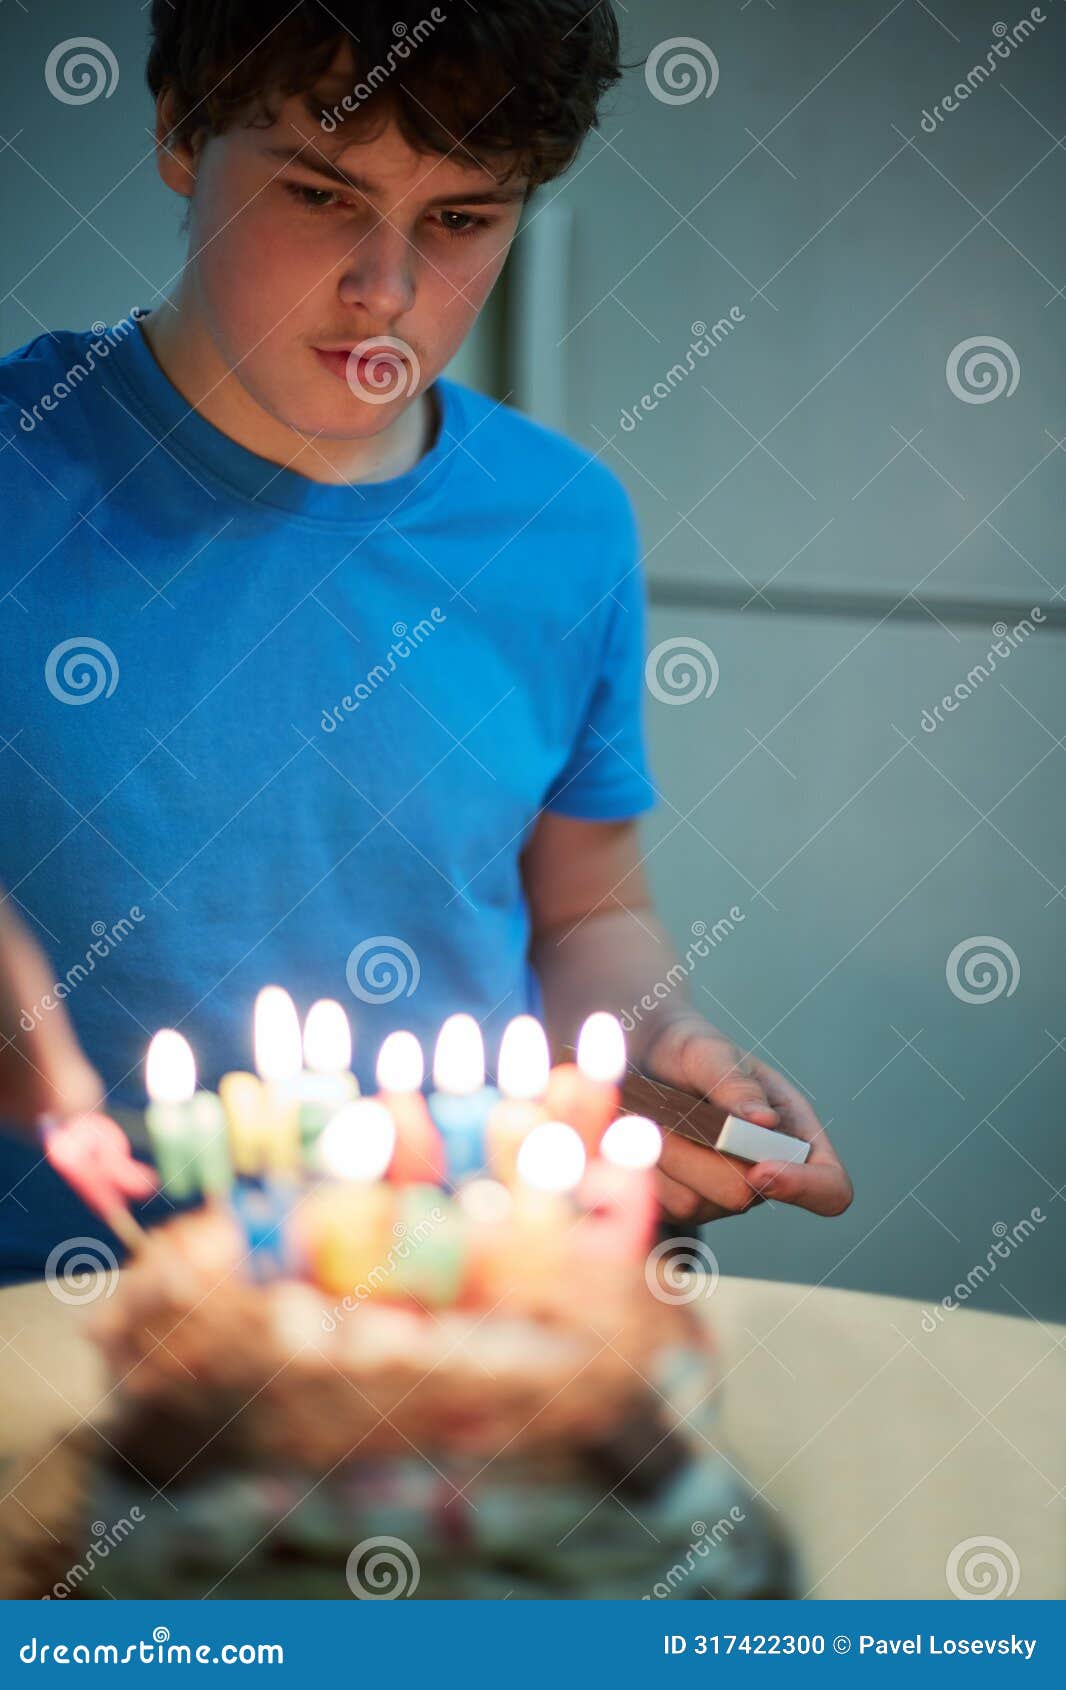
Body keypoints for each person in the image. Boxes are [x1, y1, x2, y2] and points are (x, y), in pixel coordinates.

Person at [0, 1, 850, 1276]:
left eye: (460, 220)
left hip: (445, 1325)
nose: (384, 290)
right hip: (52, 1339)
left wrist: (646, 1034)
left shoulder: (562, 526)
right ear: (181, 132)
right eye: (322, 196)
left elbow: (584, 910)